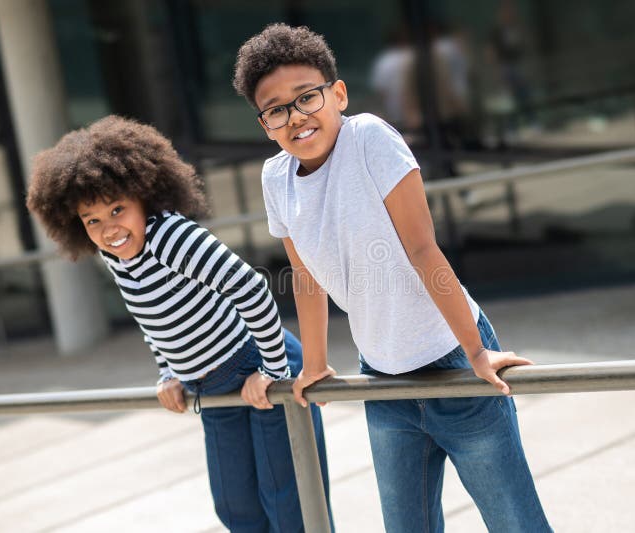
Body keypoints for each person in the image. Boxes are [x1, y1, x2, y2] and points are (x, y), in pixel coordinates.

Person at [234, 24, 551, 532]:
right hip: (383, 381)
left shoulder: (369, 139)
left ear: (337, 94)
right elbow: (305, 275)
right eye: (276, 109)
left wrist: (475, 352)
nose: (295, 117)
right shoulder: (275, 178)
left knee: (515, 523)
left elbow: (423, 249)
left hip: (453, 359)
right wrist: (313, 363)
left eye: (306, 97)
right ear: (265, 124)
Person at [25, 115, 332, 533]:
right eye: (92, 220)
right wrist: (169, 372)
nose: (109, 228)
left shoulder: (169, 237)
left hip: (255, 363)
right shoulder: (114, 255)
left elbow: (253, 289)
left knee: (287, 500)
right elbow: (151, 318)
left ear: (144, 198)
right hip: (207, 386)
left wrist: (272, 372)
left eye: (118, 210)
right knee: (235, 506)